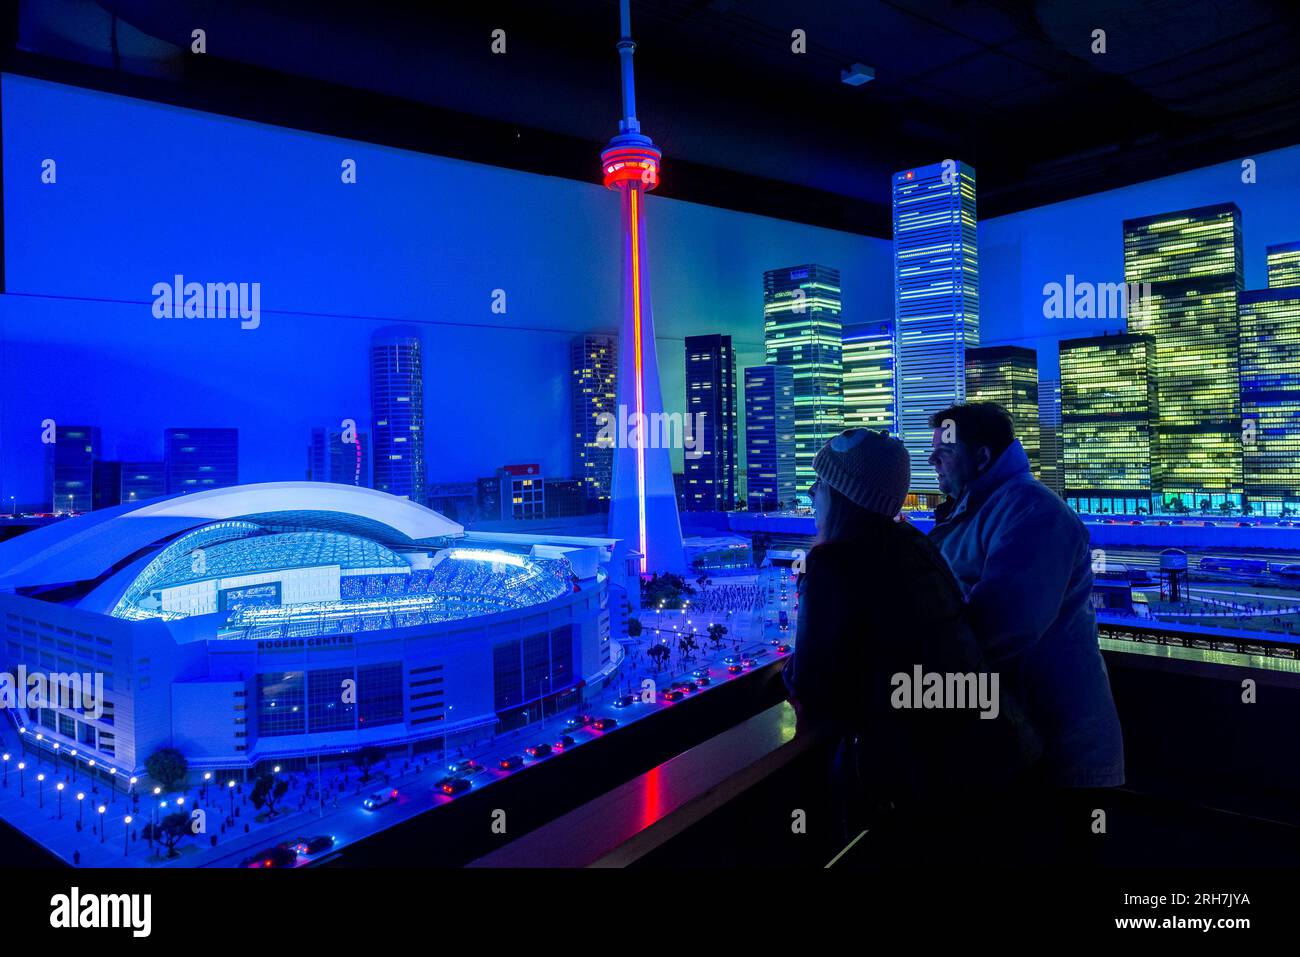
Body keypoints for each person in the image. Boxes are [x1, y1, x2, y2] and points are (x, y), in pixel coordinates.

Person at [783, 428, 1041, 859]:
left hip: (939, 784)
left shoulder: (833, 565)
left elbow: (811, 685)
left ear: (844, 496)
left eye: (820, 483)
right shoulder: (915, 545)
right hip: (1002, 756)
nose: (812, 493)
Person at [926, 402, 1125, 862]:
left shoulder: (1033, 513)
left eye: (944, 453)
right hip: (1022, 750)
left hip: (1059, 761)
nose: (933, 462)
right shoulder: (984, 509)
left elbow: (998, 628)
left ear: (981, 457)